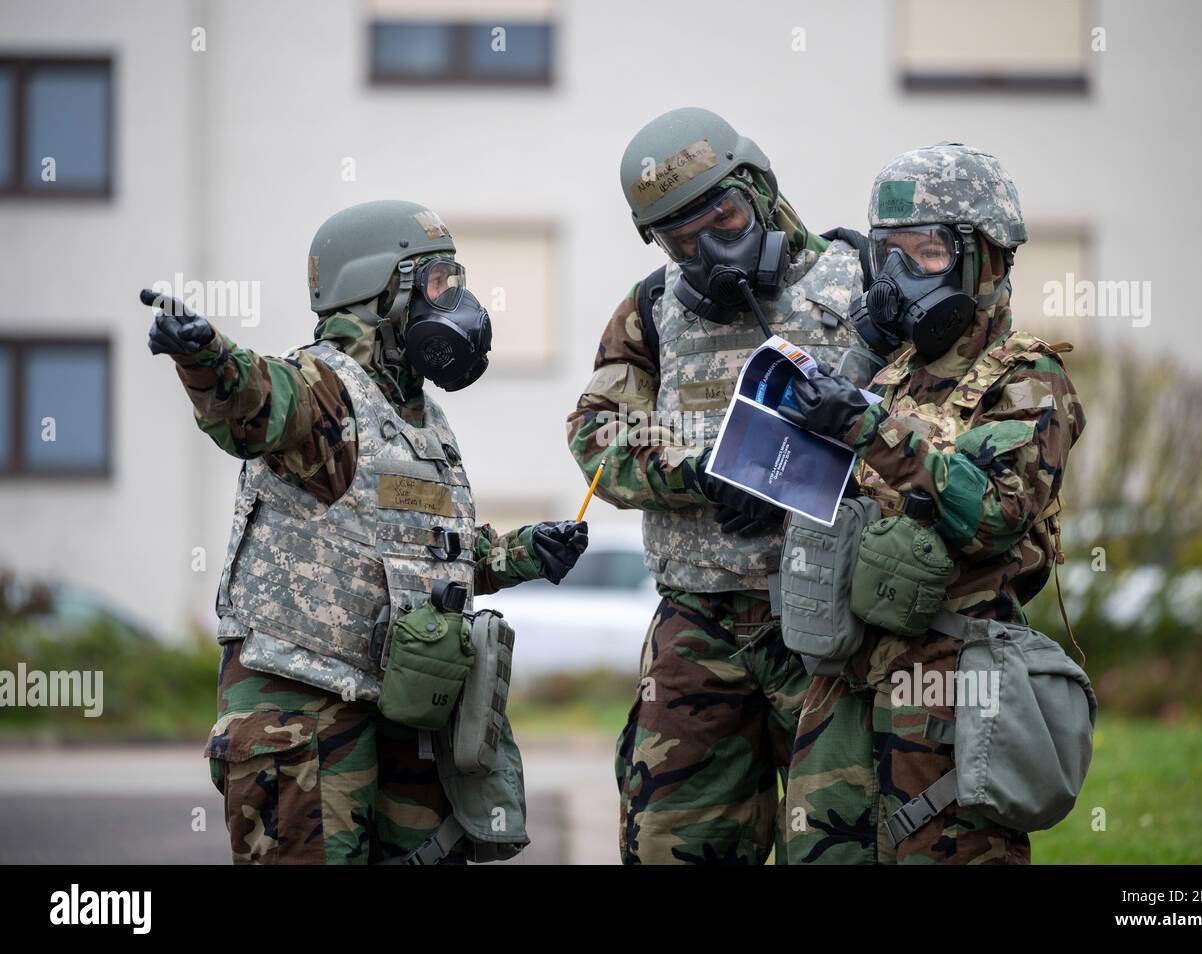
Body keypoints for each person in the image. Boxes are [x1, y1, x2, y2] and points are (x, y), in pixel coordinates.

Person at [145, 199, 589, 864]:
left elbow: (428, 552)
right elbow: (259, 401)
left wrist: (527, 551)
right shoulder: (323, 387)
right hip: (303, 707)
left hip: (399, 707)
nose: (458, 300)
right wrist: (206, 358)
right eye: (440, 282)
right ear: (383, 291)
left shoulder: (421, 421)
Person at [566, 107, 868, 864]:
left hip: (831, 625)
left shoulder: (858, 278)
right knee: (676, 846)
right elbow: (595, 435)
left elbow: (927, 421)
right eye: (682, 239)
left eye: (724, 217)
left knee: (845, 846)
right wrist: (697, 473)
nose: (711, 249)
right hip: (698, 630)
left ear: (760, 188)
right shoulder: (650, 310)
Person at [778, 143, 1086, 864]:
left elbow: (996, 516)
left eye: (926, 252)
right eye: (887, 255)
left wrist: (864, 426)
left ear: (986, 259)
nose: (900, 278)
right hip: (843, 684)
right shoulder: (884, 374)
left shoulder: (1031, 380)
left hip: (951, 688)